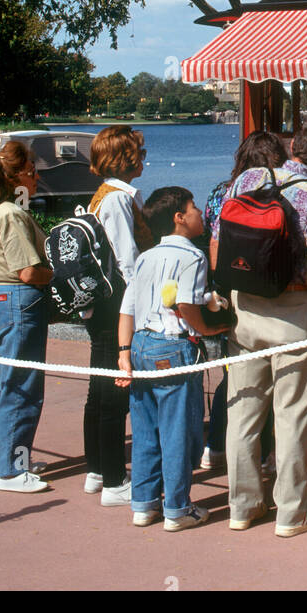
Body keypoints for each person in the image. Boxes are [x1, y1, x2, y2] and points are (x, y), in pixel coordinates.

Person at [218, 117, 307, 536]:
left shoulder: (248, 179)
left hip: (244, 307)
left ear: (292, 145)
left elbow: (217, 238)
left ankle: (241, 506)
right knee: (293, 413)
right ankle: (291, 512)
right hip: (294, 310)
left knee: (242, 410)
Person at [114, 186, 232, 531]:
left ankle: (144, 503)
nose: (199, 214)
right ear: (180, 218)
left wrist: (124, 354)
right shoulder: (193, 257)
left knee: (146, 427)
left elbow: (128, 310)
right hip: (174, 346)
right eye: (194, 208)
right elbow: (185, 306)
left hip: (140, 344)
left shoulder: (145, 257)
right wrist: (211, 329)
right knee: (179, 430)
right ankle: (177, 507)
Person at [198, 130, 288, 471]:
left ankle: (216, 445)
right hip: (270, 290)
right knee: (276, 378)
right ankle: (268, 453)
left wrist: (222, 285)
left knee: (234, 375)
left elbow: (214, 241)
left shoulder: (221, 193)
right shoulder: (278, 195)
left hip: (229, 287)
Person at [83, 125, 151, 507]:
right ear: (126, 158)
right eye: (139, 153)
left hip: (101, 304)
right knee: (114, 391)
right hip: (118, 306)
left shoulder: (101, 196)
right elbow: (129, 261)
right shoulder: (120, 200)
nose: (143, 159)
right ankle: (113, 479)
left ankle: (97, 468)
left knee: (99, 389)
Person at [0, 142, 53, 493]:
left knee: (16, 382)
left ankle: (13, 458)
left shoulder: (6, 211)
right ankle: (10, 469)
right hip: (20, 299)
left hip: (10, 299)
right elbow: (27, 271)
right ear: (15, 177)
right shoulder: (10, 214)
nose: (37, 177)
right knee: (21, 384)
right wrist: (59, 275)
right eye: (31, 171)